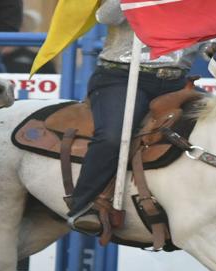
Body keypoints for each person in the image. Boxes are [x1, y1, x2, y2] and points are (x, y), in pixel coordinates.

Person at [66, 0, 204, 234]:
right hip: (120, 76)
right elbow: (106, 17)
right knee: (113, 135)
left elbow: (215, 26)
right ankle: (85, 203)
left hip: (177, 81)